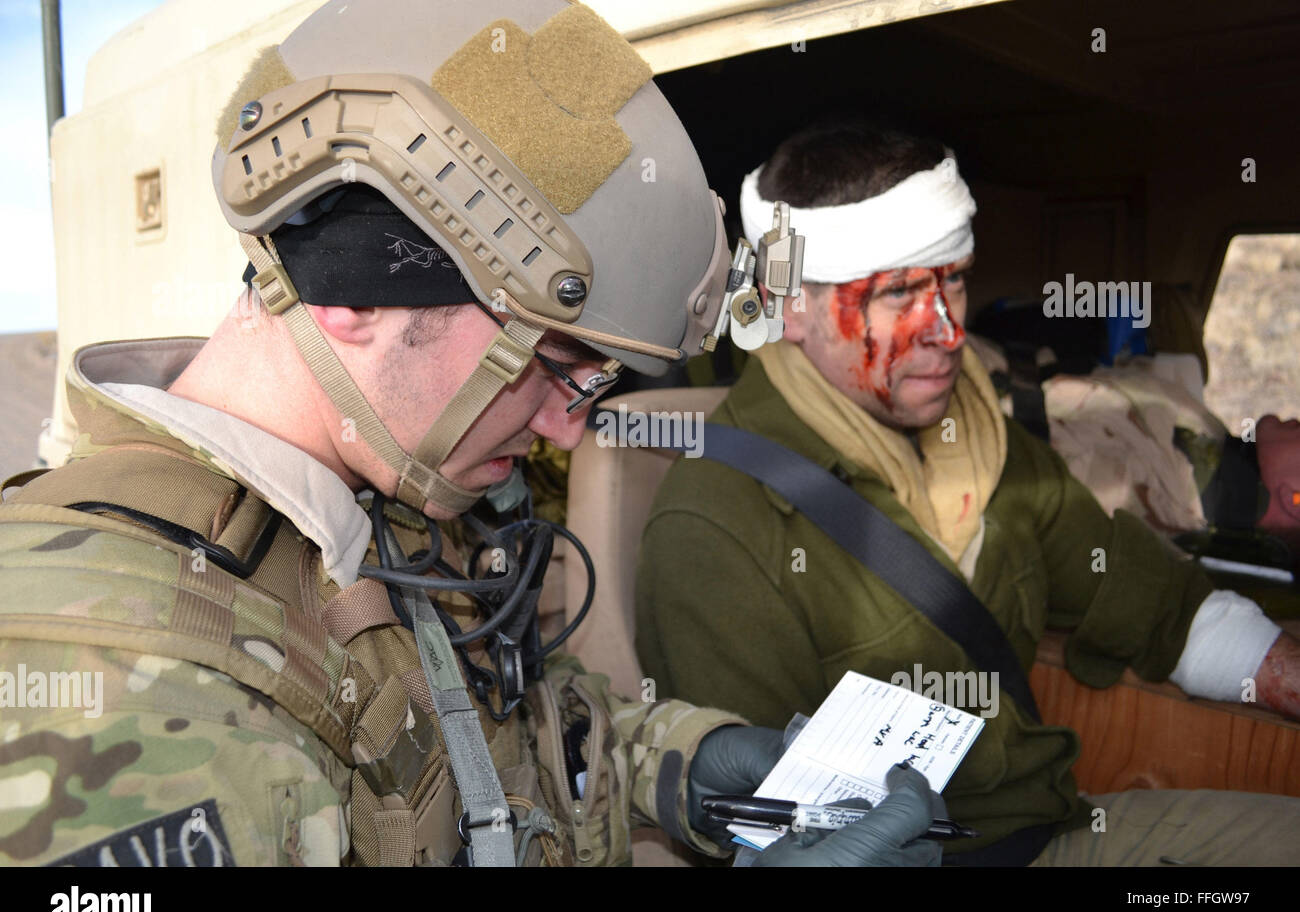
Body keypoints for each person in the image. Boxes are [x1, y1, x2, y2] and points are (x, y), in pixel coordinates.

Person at [0, 3, 941, 867]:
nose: (568, 432)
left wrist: (685, 769)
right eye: (553, 362)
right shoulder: (117, 679)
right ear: (357, 293)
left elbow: (495, 752)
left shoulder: (385, 505)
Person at [635, 117, 1300, 866]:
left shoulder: (982, 437)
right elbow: (766, 836)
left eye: (952, 278)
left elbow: (1165, 609)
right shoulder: (717, 525)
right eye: (895, 297)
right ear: (793, 308)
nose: (948, 331)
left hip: (1054, 828)